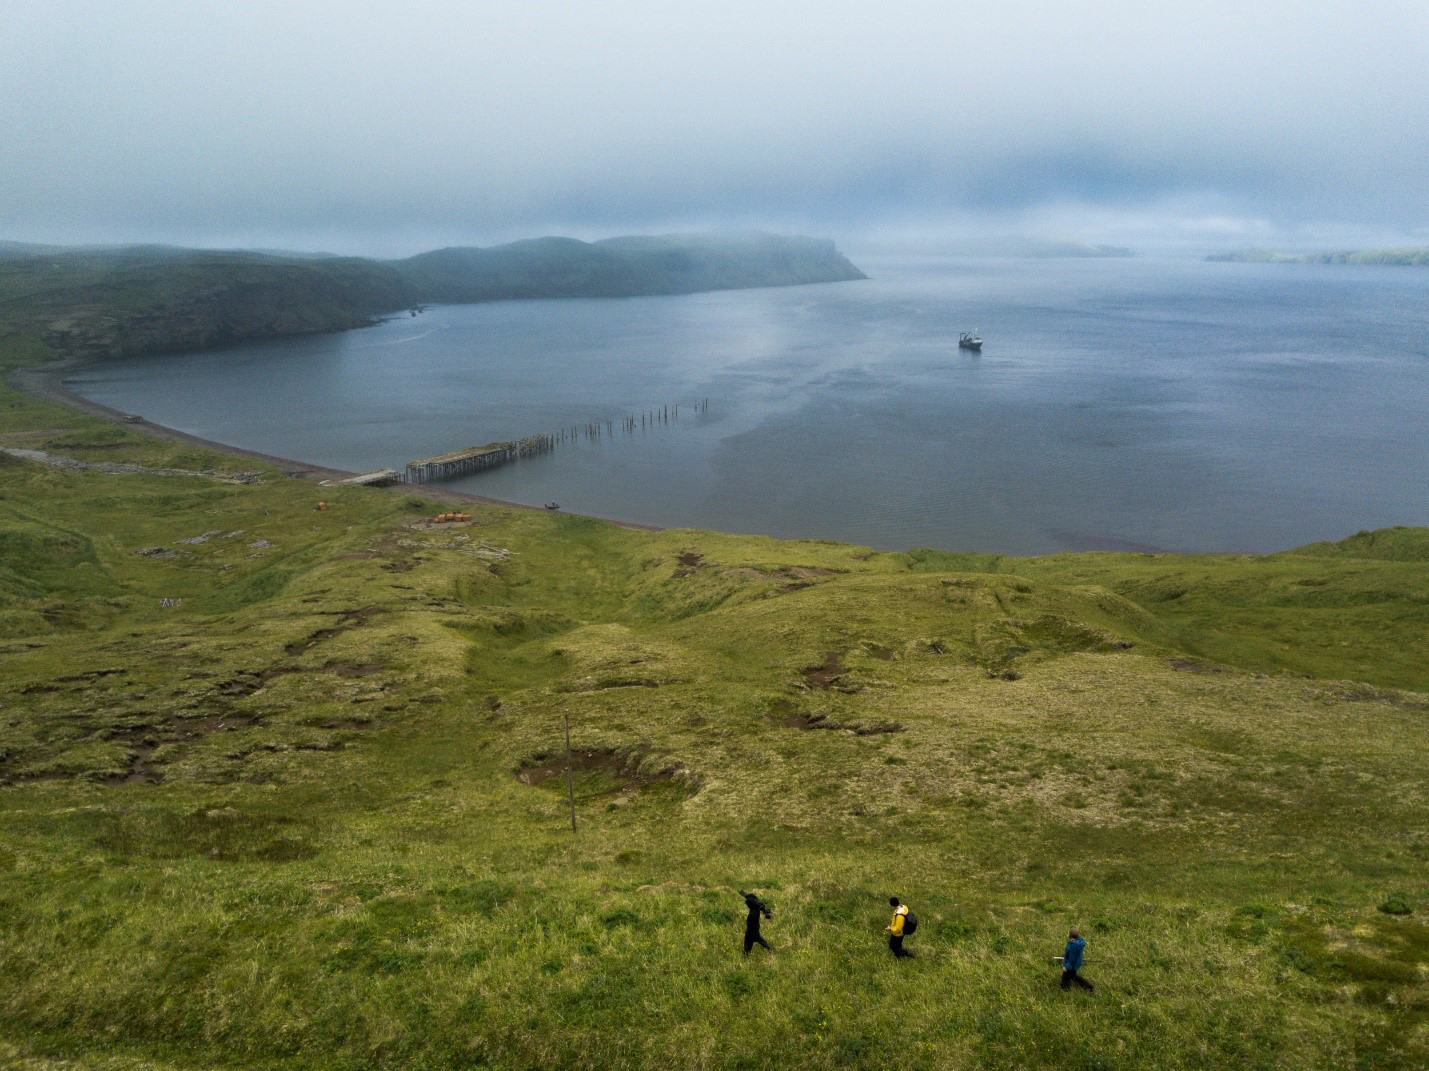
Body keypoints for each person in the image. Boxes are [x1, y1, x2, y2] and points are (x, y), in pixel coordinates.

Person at [739, 890, 772, 955]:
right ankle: (746, 953)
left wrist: (749, 930)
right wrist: (745, 895)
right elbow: (753, 900)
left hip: (752, 929)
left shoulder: (753, 913)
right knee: (753, 940)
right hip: (753, 929)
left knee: (756, 939)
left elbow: (752, 901)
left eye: (748, 904)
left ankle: (769, 949)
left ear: (751, 905)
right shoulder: (755, 908)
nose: (747, 905)